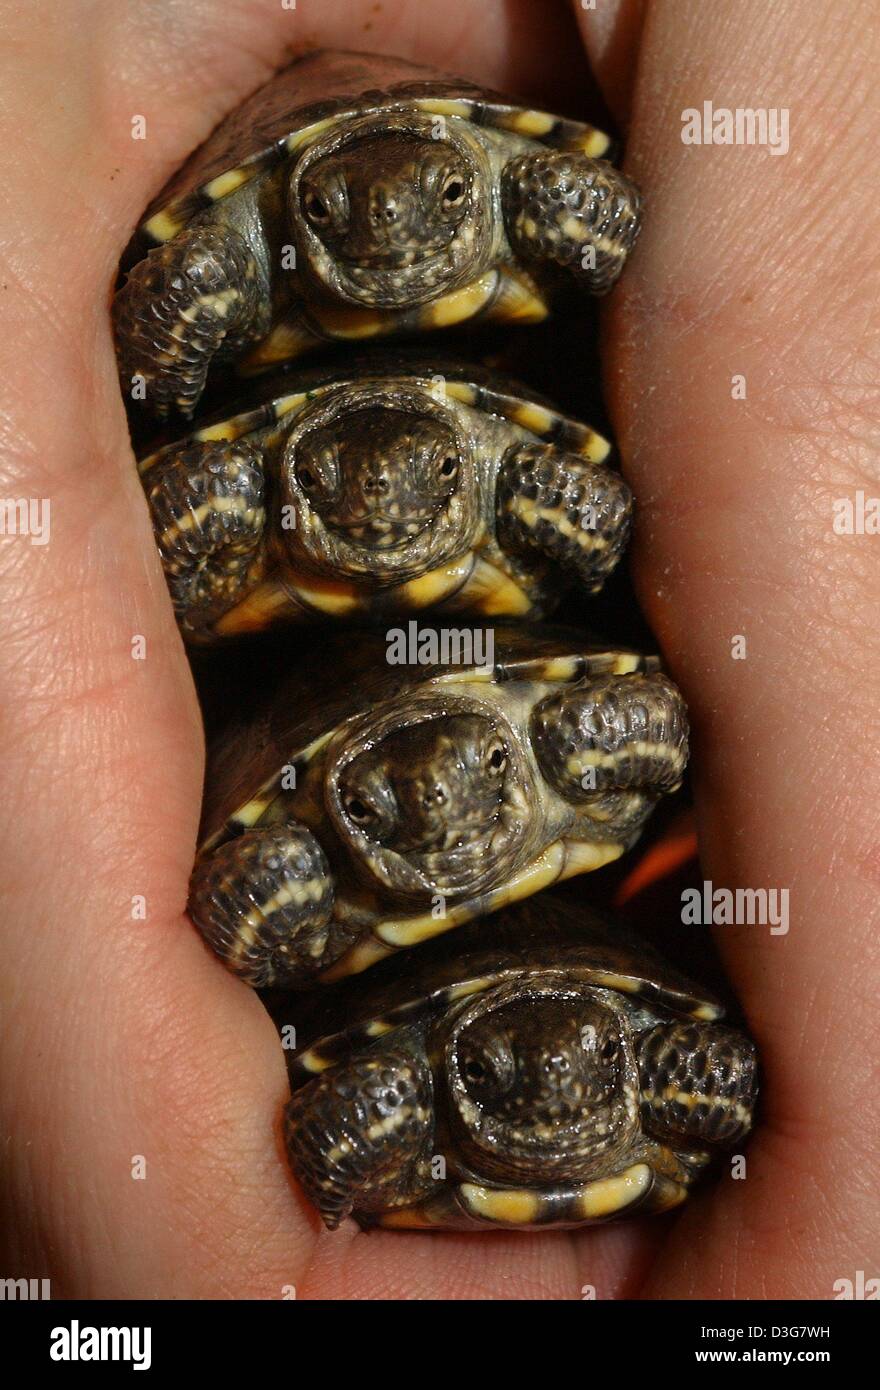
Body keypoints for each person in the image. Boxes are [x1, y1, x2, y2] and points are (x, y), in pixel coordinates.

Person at [1, 0, 877, 1300]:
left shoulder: (513, 755)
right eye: (363, 207)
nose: (402, 225)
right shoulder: (257, 373)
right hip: (346, 652)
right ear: (313, 214)